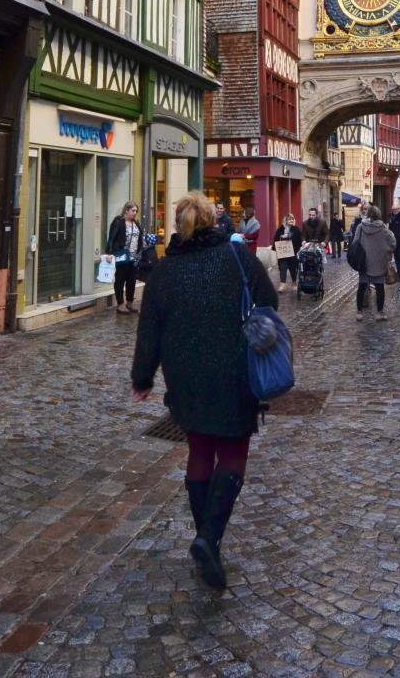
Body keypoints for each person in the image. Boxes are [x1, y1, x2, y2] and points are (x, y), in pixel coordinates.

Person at [130, 191, 278, 591]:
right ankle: (209, 538)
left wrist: (142, 379)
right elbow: (268, 302)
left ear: (179, 225)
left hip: (186, 377)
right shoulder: (236, 258)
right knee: (231, 453)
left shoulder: (164, 272)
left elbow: (149, 331)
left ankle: (204, 537)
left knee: (200, 451)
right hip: (234, 372)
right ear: (214, 222)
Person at [352, 205, 395, 322]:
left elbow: (355, 242)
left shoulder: (361, 227)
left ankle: (359, 312)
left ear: (368, 214)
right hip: (379, 262)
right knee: (380, 288)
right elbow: (392, 243)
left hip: (364, 263)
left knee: (361, 287)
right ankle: (379, 312)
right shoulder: (383, 228)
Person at [106, 201, 143, 314]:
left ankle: (130, 302)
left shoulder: (136, 223)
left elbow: (140, 238)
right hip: (121, 256)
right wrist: (110, 252)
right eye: (133, 211)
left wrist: (140, 252)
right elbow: (112, 237)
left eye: (136, 211)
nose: (135, 213)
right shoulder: (118, 222)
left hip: (133, 257)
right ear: (126, 210)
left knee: (131, 280)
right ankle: (120, 304)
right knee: (120, 279)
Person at [273, 212, 303, 293]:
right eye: (289, 219)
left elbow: (299, 239)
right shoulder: (280, 229)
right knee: (282, 268)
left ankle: (294, 283)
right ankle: (282, 284)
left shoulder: (296, 229)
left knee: (293, 269)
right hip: (283, 253)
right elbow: (276, 238)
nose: (291, 220)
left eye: (292, 219)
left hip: (293, 253)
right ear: (285, 220)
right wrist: (282, 237)